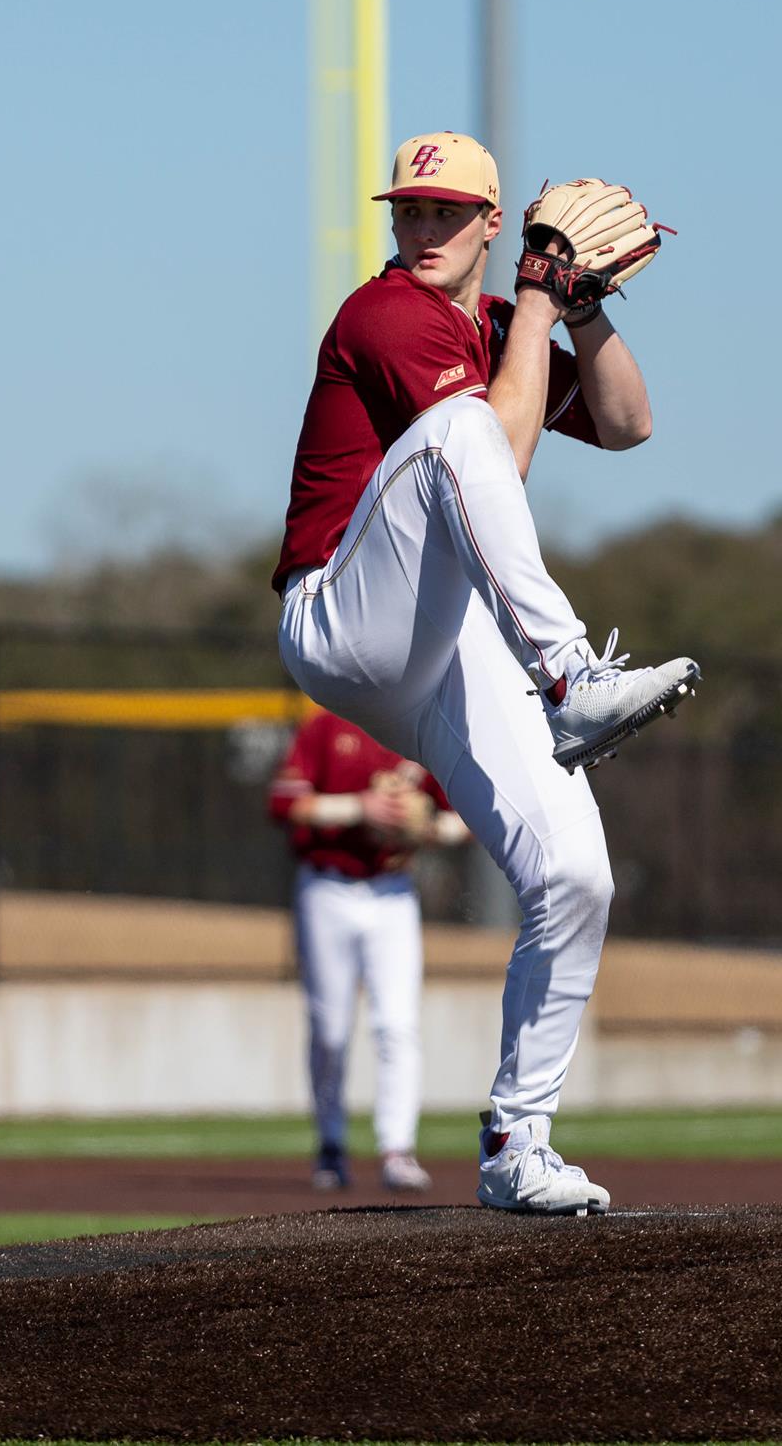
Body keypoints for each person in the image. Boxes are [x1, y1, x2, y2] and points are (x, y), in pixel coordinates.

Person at [271, 132, 700, 1214]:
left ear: (489, 225)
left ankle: (517, 1140)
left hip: (443, 642)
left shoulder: (505, 328)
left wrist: (582, 304)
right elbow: (492, 450)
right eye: (407, 210)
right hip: (340, 613)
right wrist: (539, 311)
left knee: (575, 877)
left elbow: (628, 421)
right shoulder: (383, 314)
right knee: (462, 423)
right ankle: (567, 676)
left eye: (442, 212)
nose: (419, 229)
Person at [268, 710, 470, 1194]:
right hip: (327, 887)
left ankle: (397, 1149)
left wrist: (425, 829)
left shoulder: (416, 726)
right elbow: (285, 804)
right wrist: (361, 808)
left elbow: (465, 816)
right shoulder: (325, 727)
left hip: (392, 891)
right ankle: (331, 1146)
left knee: (397, 1024)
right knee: (330, 1030)